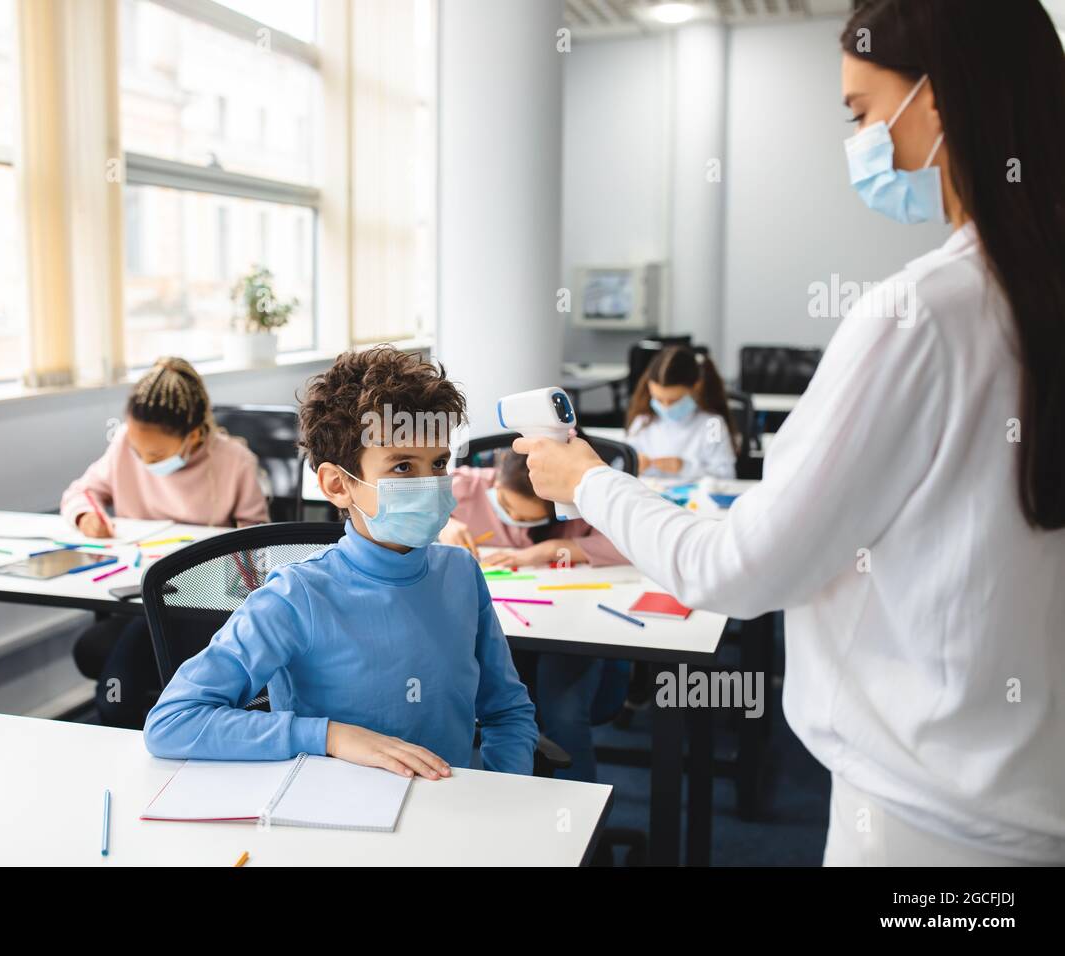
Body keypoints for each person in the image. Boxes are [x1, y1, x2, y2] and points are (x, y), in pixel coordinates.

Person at [514, 0, 1065, 864]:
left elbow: (739, 570)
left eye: (860, 111)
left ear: (940, 100)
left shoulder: (920, 316)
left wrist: (585, 479)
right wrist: (633, 534)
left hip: (926, 821)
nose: (860, 140)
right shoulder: (1019, 301)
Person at [145, 347, 538, 777]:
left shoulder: (461, 573)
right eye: (403, 467)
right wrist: (331, 736)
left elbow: (508, 712)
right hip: (334, 820)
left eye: (439, 463)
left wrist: (506, 792)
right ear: (337, 484)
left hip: (446, 815)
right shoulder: (296, 596)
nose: (430, 483)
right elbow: (172, 722)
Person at [62, 357, 268, 727]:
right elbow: (83, 490)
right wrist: (86, 515)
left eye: (154, 455)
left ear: (191, 436)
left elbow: (256, 549)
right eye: (138, 452)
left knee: (115, 693)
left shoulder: (235, 462)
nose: (143, 461)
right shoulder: (125, 445)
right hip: (136, 599)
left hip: (202, 608)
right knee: (104, 668)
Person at [439, 450, 630, 781]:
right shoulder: (464, 488)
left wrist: (543, 552)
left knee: (565, 715)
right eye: (507, 508)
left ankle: (578, 815)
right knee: (475, 705)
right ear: (496, 479)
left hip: (569, 629)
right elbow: (400, 509)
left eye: (528, 519)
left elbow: (626, 545)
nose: (513, 520)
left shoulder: (579, 509)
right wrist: (444, 524)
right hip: (499, 627)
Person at [624, 346, 737, 482]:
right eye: (658, 399)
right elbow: (620, 465)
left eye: (674, 400)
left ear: (696, 387)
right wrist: (633, 464)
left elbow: (726, 476)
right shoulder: (642, 422)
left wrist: (685, 467)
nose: (665, 407)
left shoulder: (712, 424)